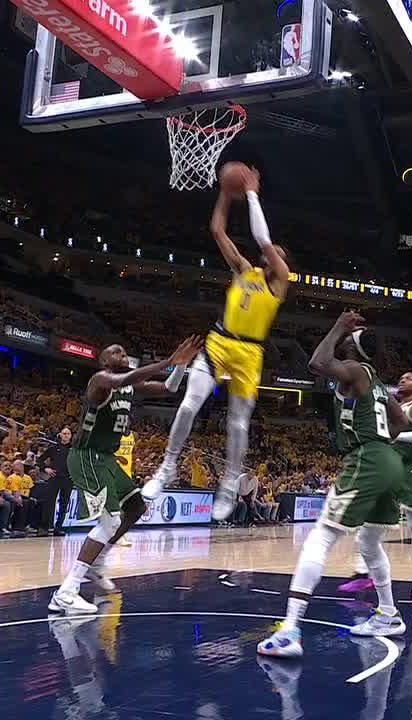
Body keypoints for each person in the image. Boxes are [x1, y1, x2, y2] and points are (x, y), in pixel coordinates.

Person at [258, 312, 412, 657]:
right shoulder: (376, 381)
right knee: (368, 542)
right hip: (390, 460)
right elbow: (401, 419)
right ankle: (388, 614)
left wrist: (339, 327)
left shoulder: (354, 369)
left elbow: (316, 362)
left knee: (322, 536)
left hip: (368, 457)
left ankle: (290, 630)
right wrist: (382, 442)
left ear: (352, 346)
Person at [145, 167, 291, 523]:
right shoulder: (243, 270)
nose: (273, 254)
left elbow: (263, 239)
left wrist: (252, 193)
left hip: (250, 353)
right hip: (220, 341)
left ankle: (229, 482)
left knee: (238, 424)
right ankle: (167, 466)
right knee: (189, 404)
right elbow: (217, 231)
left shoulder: (280, 281)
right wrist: (226, 194)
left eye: (278, 254)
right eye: (272, 253)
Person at [48, 337, 202, 615]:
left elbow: (169, 388)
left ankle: (97, 563)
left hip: (106, 458)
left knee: (135, 507)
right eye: (115, 351)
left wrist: (180, 366)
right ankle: (66, 592)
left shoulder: (130, 386)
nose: (122, 352)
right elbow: (125, 378)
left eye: (124, 350)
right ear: (104, 361)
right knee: (110, 522)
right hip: (87, 456)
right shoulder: (100, 380)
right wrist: (169, 361)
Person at [339, 371, 412, 600]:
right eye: (401, 377)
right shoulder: (389, 406)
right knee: (370, 518)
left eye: (410, 378)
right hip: (390, 466)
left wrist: (397, 436)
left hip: (411, 468)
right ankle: (363, 571)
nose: (403, 379)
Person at [38, 427, 74, 536]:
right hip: (55, 478)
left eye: (68, 433)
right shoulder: (53, 448)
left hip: (68, 479)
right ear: (60, 435)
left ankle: (58, 527)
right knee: (49, 502)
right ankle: (44, 527)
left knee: (64, 504)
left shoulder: (74, 449)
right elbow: (40, 460)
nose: (66, 435)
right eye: (64, 433)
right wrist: (46, 468)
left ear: (71, 436)